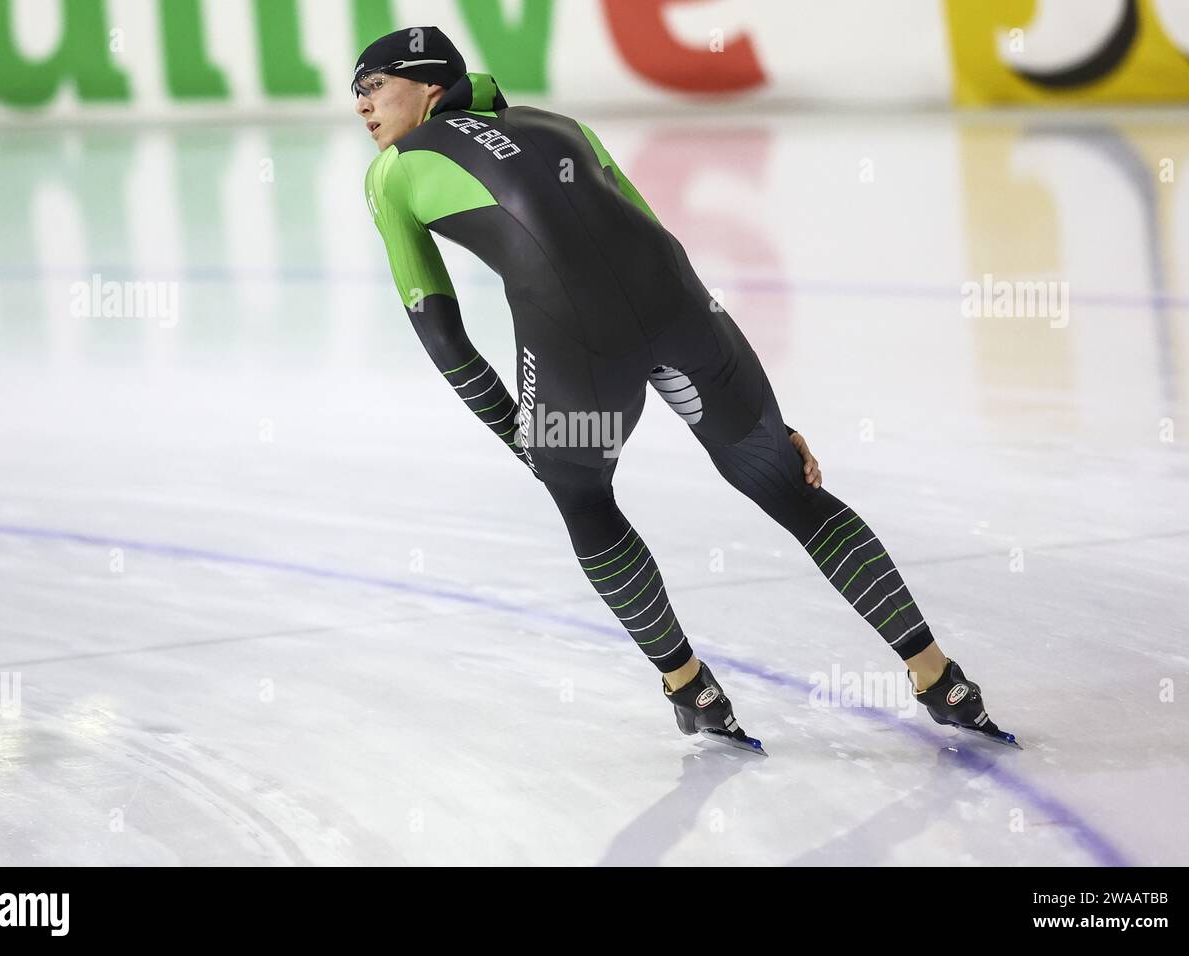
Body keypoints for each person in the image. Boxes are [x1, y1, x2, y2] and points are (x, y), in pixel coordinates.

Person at [356, 26, 1015, 752]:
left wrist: (521, 437)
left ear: (426, 85)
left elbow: (441, 333)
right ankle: (939, 677)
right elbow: (654, 234)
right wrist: (766, 410)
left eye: (374, 84)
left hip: (577, 342)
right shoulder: (559, 124)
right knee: (790, 485)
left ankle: (690, 686)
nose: (361, 104)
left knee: (582, 496)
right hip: (684, 312)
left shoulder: (392, 173)